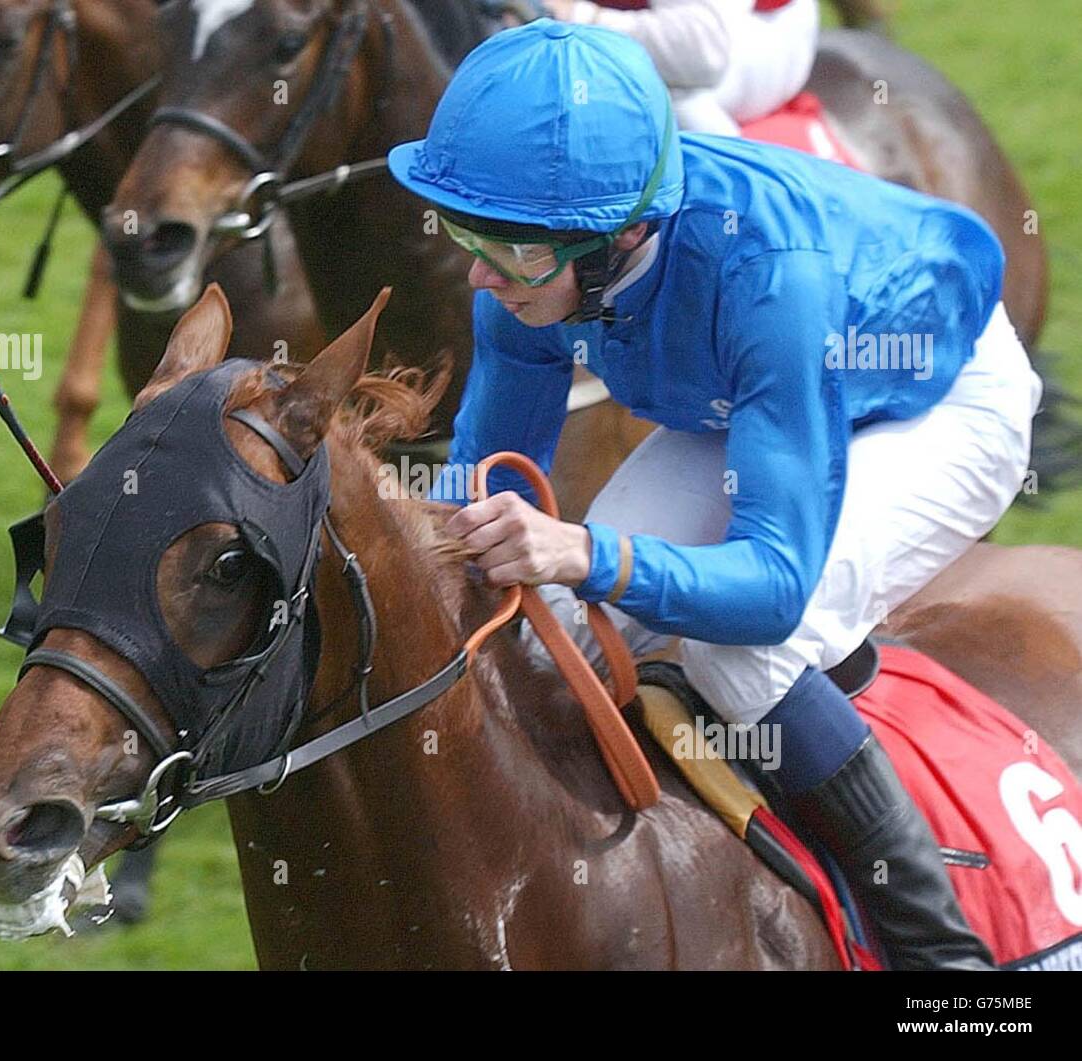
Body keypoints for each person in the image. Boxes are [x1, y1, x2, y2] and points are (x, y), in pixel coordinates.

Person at [387, 20, 1041, 969]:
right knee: (548, 629)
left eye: (514, 251)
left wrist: (587, 550)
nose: (482, 274)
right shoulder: (536, 268)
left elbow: (771, 585)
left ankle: (946, 967)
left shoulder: (769, 277)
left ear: (619, 239)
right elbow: (472, 496)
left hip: (937, 400)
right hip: (750, 397)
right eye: (465, 234)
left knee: (736, 654)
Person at [545, 0, 820, 135]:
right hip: (695, 33)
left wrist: (577, 16)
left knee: (659, 86)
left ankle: (733, 215)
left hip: (754, 43)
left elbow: (701, 53)